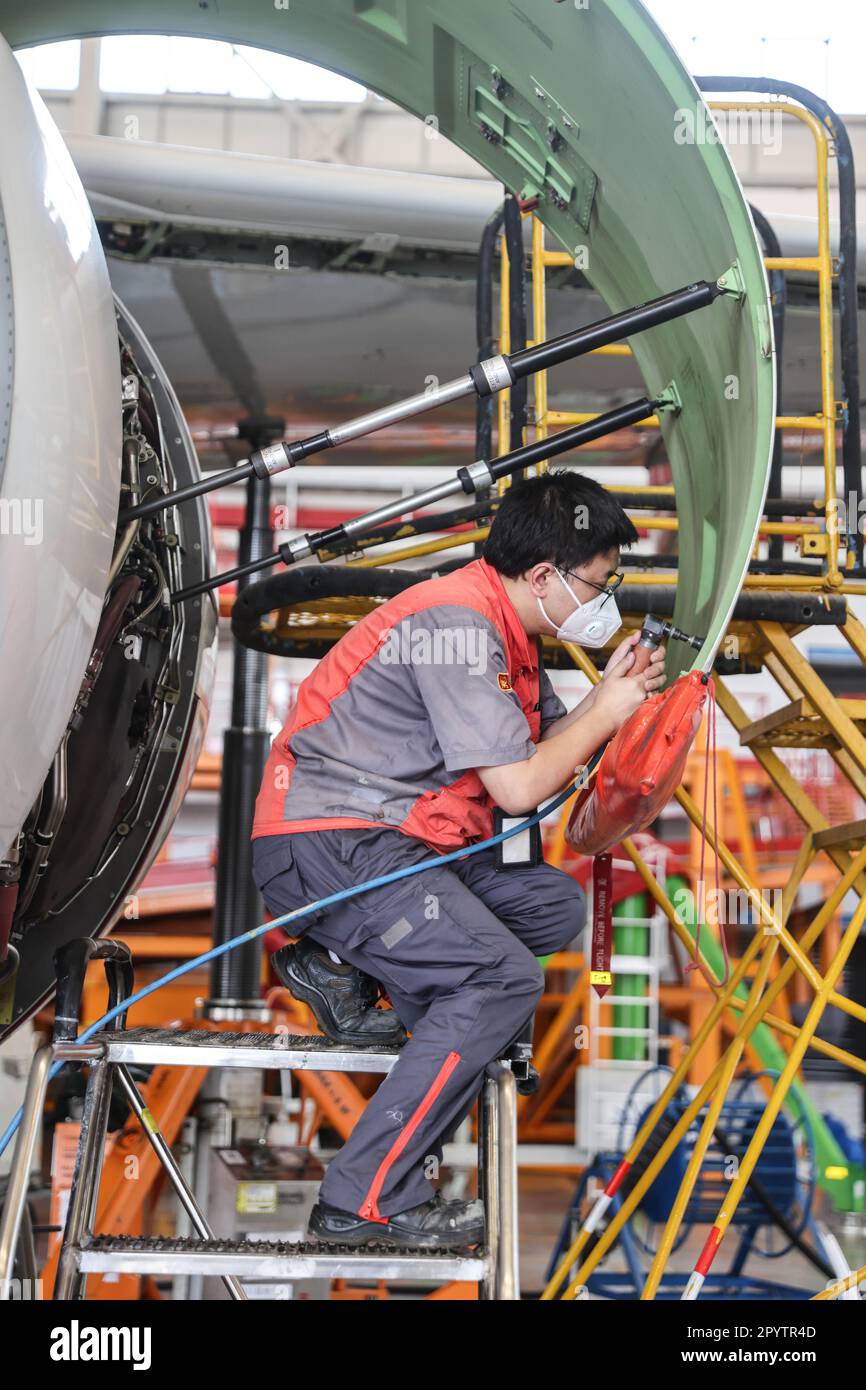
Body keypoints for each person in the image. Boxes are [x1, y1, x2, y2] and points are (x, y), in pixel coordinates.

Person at [251, 470, 665, 1247]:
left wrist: (617, 709)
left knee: (552, 906)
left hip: (396, 846)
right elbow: (517, 787)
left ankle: (343, 969)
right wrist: (606, 711)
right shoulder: (456, 622)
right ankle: (365, 1197)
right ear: (543, 575)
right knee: (500, 978)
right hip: (333, 843)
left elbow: (552, 754)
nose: (604, 602)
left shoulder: (510, 636)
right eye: (598, 584)